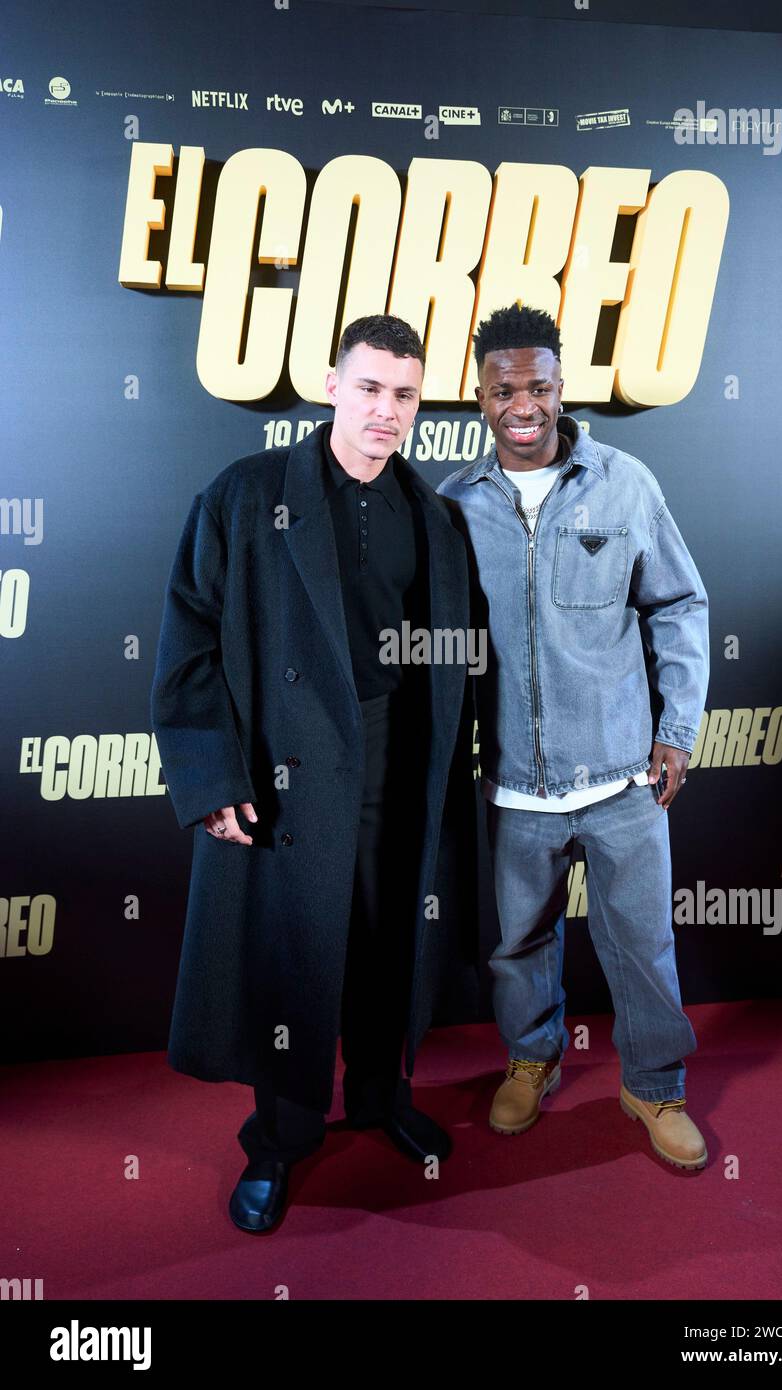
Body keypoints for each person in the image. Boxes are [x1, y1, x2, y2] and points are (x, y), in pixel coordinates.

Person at [151, 314, 477, 1233]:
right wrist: (210, 776)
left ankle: (379, 1098)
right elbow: (188, 643)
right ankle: (281, 1141)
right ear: (333, 386)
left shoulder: (436, 516)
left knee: (385, 945)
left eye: (405, 395)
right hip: (289, 770)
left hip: (400, 762)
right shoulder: (247, 496)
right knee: (296, 958)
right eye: (369, 388)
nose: (386, 410)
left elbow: (453, 655)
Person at [437, 303, 710, 1170]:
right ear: (479, 396)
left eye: (540, 385)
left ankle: (654, 1086)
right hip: (512, 785)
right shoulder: (452, 507)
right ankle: (534, 1057)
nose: (525, 403)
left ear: (563, 388)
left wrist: (677, 728)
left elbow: (677, 604)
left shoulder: (626, 482)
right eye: (505, 388)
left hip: (624, 776)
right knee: (516, 945)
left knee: (642, 945)